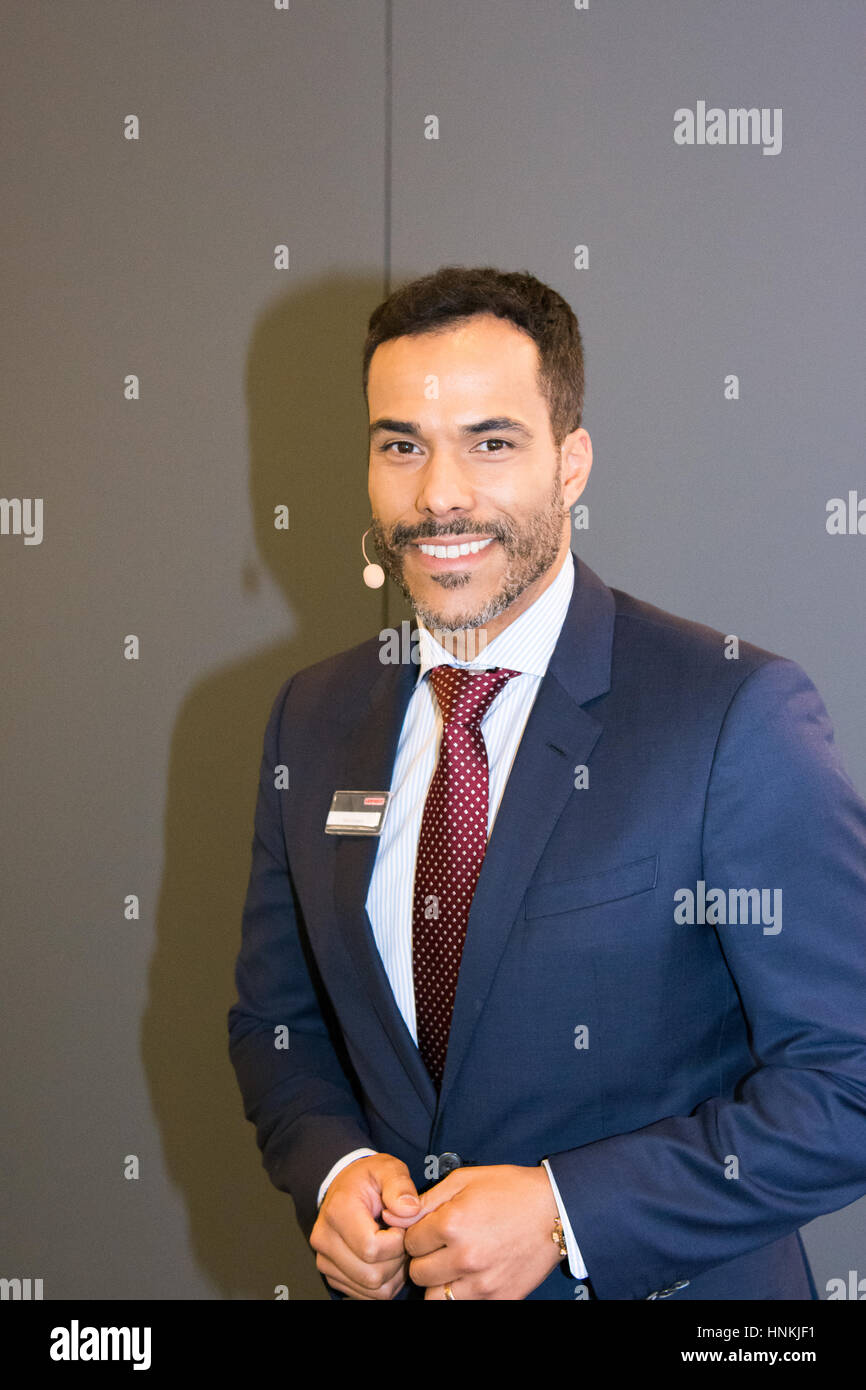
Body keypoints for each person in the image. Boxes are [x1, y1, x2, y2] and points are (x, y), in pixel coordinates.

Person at [228, 265, 866, 1300]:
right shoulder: (313, 715)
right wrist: (334, 1168)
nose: (439, 493)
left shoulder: (729, 715)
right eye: (401, 445)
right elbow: (275, 1024)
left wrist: (568, 1215)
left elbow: (849, 1083)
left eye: (490, 441)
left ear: (570, 462)